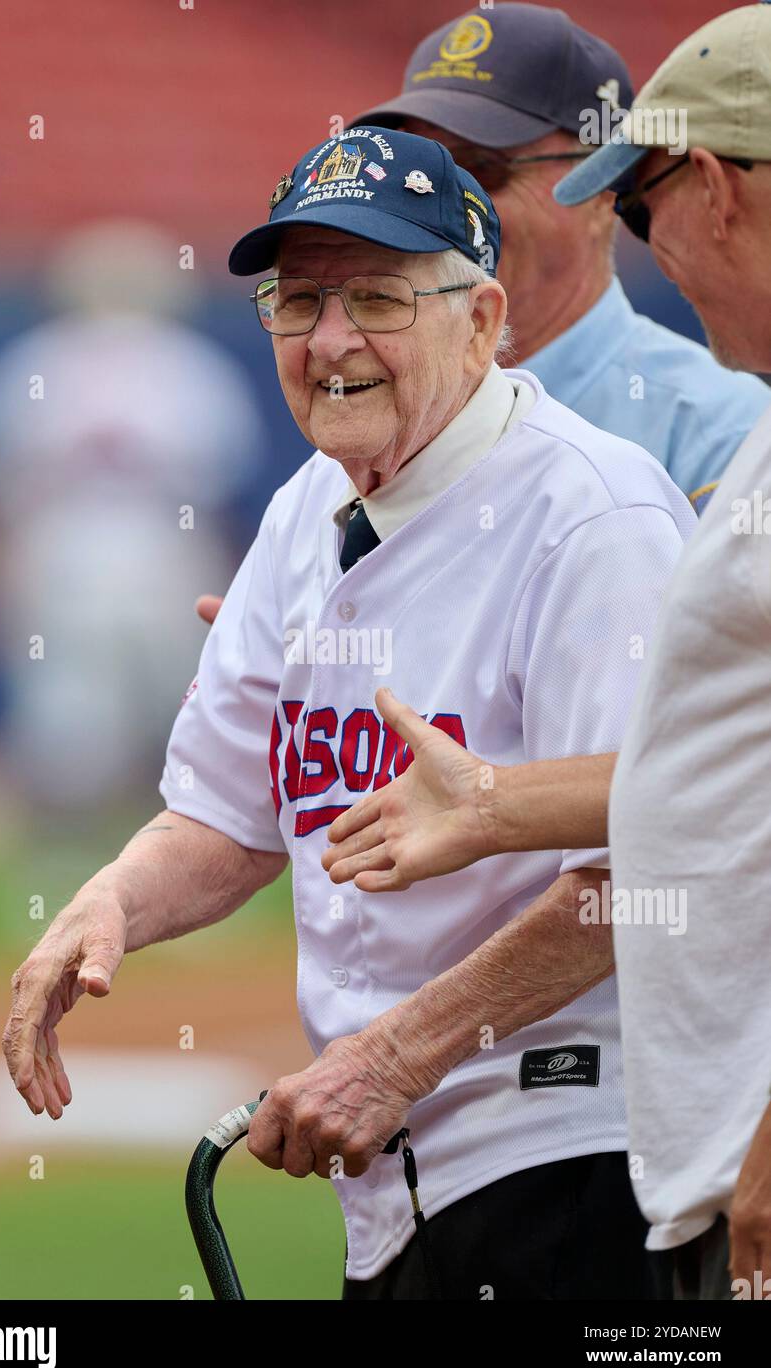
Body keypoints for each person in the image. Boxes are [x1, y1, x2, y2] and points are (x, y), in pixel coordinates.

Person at [3, 127, 696, 1300]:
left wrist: (394, 1056)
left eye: (375, 296)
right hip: (392, 1175)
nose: (329, 340)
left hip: (578, 1158)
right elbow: (226, 815)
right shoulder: (303, 511)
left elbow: (652, 870)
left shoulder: (592, 518)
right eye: (300, 299)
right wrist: (108, 899)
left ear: (479, 321)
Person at [328, 2, 771, 1302]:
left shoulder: (700, 420)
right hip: (674, 1143)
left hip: (608, 1107)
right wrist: (492, 798)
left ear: (711, 186)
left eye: (639, 205)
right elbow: (712, 762)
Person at [194, 3, 770, 629]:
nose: (443, 208)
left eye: (480, 169)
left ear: (603, 183)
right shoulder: (359, 427)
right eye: (421, 178)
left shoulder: (720, 432)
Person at [0, 220, 263, 814]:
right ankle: (69, 864)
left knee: (175, 714)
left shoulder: (187, 369)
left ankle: (155, 856)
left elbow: (220, 506)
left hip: (154, 562)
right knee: (68, 726)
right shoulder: (38, 367)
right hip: (69, 563)